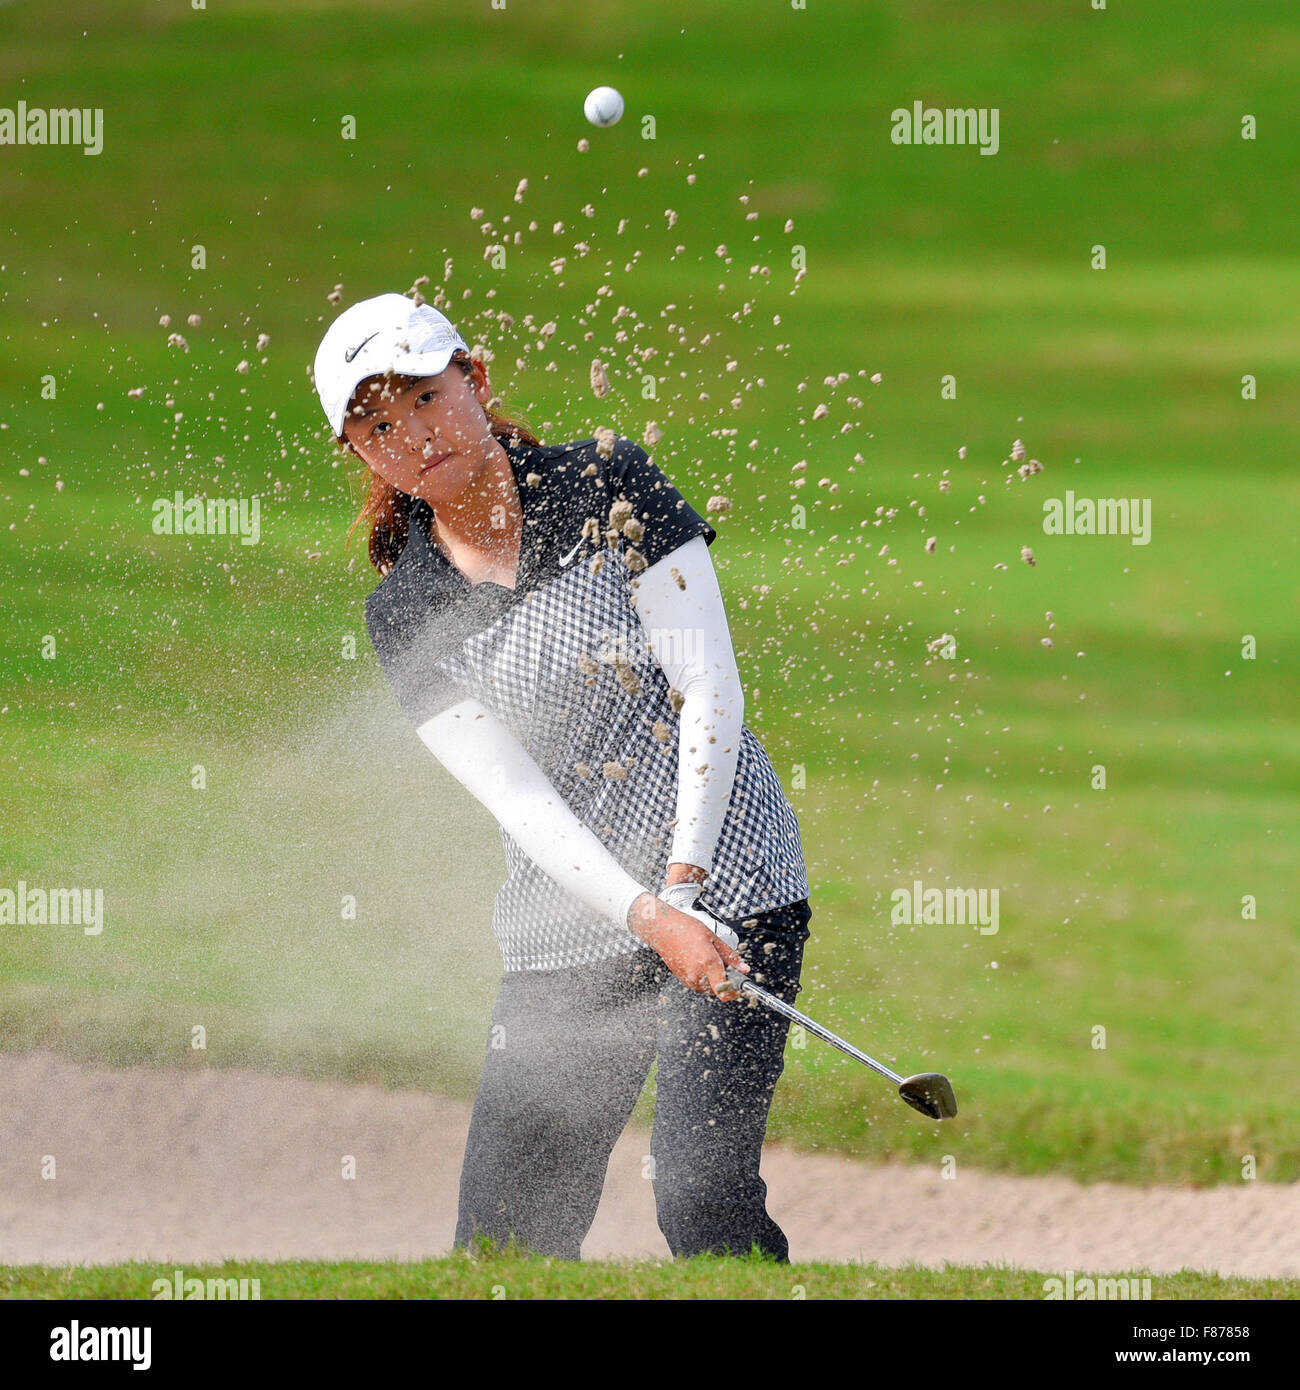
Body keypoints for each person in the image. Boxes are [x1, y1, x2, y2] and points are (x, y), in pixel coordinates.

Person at [313, 291, 814, 1261]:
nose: (410, 435)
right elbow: (516, 798)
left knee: (701, 1201)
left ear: (476, 378)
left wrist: (685, 890)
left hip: (733, 880)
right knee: (505, 1239)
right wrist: (646, 914)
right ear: (360, 453)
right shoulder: (406, 610)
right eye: (376, 426)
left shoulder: (604, 482)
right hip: (569, 920)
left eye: (421, 398)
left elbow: (708, 686)